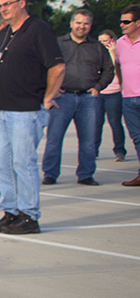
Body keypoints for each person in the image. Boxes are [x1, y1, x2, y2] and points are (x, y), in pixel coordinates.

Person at [0, 0, 64, 234]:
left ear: (22, 3)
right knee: (1, 163)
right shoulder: (4, 34)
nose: (4, 9)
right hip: (0, 110)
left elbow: (58, 66)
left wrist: (48, 97)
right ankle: (10, 211)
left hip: (26, 110)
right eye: (0, 6)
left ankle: (29, 215)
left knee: (23, 162)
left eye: (8, 4)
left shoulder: (38, 30)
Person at [42, 10, 113, 185]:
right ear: (71, 24)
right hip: (62, 98)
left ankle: (86, 174)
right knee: (54, 139)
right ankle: (50, 174)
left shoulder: (98, 47)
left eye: (86, 23)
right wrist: (52, 89)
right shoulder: (57, 44)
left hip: (88, 99)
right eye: (79, 23)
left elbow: (109, 70)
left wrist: (98, 88)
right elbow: (44, 66)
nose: (82, 27)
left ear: (91, 25)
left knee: (88, 141)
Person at [116, 6, 140, 187]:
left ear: (138, 23)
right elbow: (117, 65)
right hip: (128, 97)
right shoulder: (120, 43)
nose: (122, 25)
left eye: (126, 21)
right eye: (121, 21)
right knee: (137, 138)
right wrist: (123, 84)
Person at [94, 29, 126, 163]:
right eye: (100, 41)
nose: (102, 44)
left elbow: (113, 69)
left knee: (115, 123)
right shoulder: (96, 54)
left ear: (113, 41)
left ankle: (119, 151)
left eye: (105, 41)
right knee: (96, 123)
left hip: (114, 93)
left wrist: (112, 53)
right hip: (100, 93)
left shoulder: (118, 54)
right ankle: (93, 150)